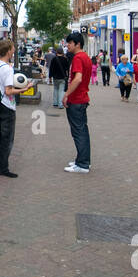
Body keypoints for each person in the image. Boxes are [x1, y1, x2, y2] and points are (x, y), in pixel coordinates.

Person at [0, 38, 31, 177]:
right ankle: (3, 168)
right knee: (7, 138)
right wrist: (24, 89)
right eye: (13, 48)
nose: (14, 50)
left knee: (0, 135)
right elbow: (8, 91)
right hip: (6, 106)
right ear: (8, 51)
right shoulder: (7, 69)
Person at [63, 32, 92, 173]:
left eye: (69, 43)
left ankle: (82, 164)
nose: (67, 45)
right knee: (82, 131)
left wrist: (67, 94)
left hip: (76, 100)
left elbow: (78, 78)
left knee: (78, 132)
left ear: (77, 44)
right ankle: (83, 160)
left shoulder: (78, 58)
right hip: (82, 99)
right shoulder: (85, 57)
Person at [48, 45, 68, 109]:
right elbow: (67, 69)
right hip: (62, 77)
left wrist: (50, 77)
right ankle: (60, 104)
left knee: (55, 89)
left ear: (56, 52)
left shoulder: (54, 59)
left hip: (55, 77)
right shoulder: (65, 59)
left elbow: (51, 68)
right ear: (62, 52)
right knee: (61, 91)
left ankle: (55, 103)